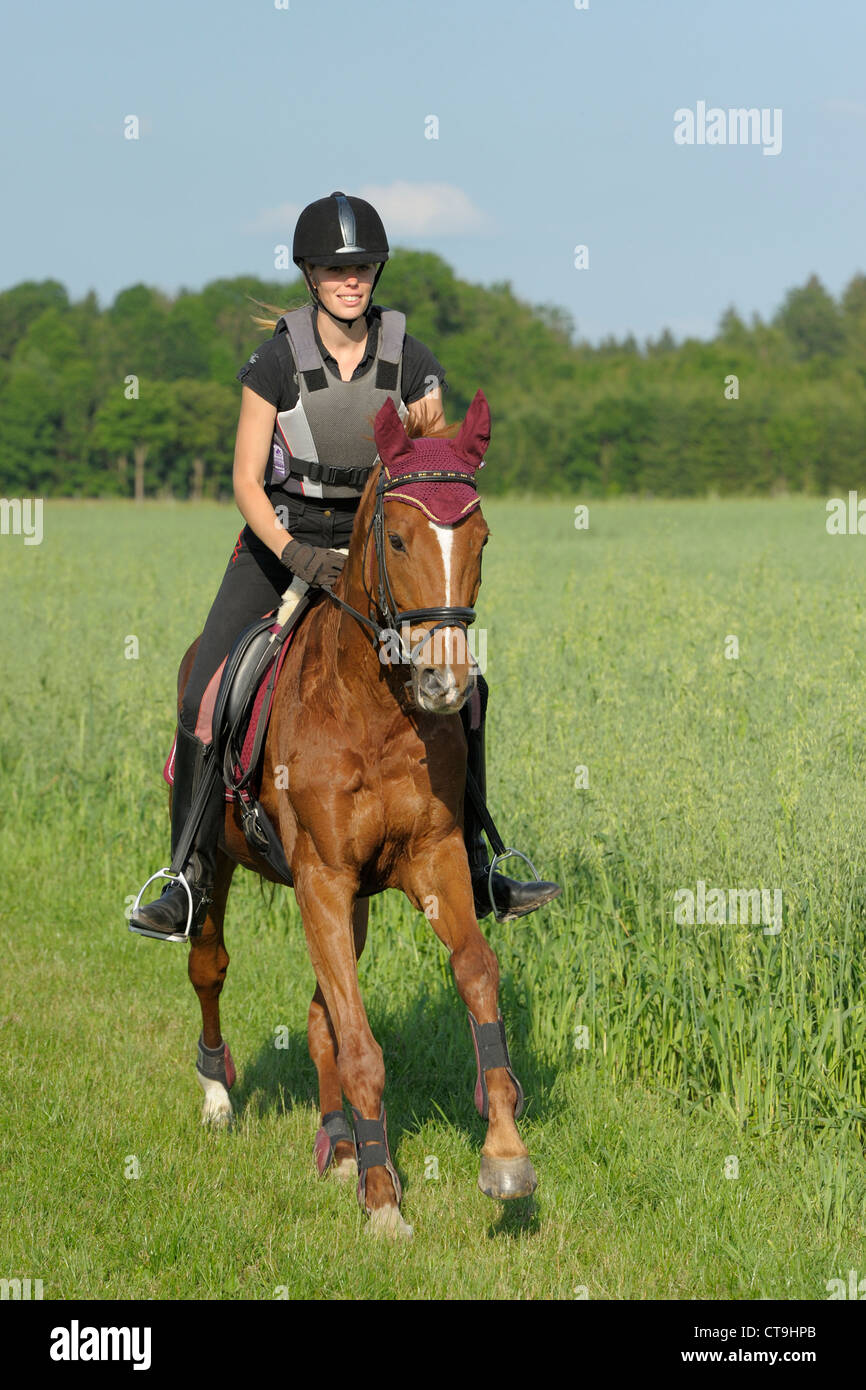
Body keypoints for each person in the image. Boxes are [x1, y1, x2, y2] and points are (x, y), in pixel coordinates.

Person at [129, 191, 561, 939]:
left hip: (377, 554)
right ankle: (188, 876)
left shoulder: (411, 360)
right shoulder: (275, 362)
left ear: (376, 272)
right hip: (280, 541)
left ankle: (483, 861)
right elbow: (242, 480)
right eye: (335, 268)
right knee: (205, 689)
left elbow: (428, 467)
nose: (349, 279)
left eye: (361, 267)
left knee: (469, 687)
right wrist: (297, 553)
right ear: (310, 274)